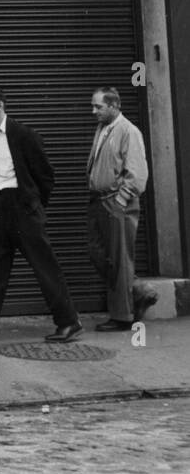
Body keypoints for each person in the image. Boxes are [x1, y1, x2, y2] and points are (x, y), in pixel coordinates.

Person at [0, 87, 82, 344]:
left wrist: (32, 206)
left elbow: (45, 175)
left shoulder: (22, 134)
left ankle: (69, 322)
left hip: (21, 207)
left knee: (44, 267)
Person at [86, 87, 148, 331]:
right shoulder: (104, 128)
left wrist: (121, 200)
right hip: (99, 201)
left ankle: (122, 317)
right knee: (97, 251)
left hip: (117, 202)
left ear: (113, 106)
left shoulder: (128, 131)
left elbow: (138, 173)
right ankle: (140, 291)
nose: (94, 111)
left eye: (98, 107)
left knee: (119, 259)